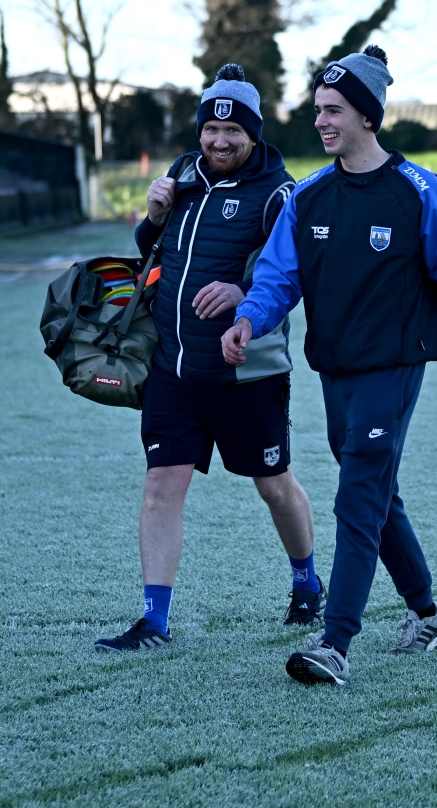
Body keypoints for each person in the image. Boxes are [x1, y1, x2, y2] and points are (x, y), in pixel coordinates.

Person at [223, 45, 437, 687]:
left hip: (395, 367)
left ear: (368, 117)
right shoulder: (309, 198)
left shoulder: (419, 192)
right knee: (378, 497)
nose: (321, 121)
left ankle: (335, 643)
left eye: (334, 110)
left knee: (357, 497)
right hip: (336, 372)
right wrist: (248, 321)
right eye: (318, 109)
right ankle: (428, 615)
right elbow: (276, 277)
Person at [96, 64, 324, 652]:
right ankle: (154, 622)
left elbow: (293, 271)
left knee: (274, 486)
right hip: (175, 369)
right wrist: (152, 216)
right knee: (160, 486)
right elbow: (151, 253)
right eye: (210, 131)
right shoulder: (181, 176)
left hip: (247, 371)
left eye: (233, 132)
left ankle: (306, 581)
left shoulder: (279, 192)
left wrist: (243, 296)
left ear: (253, 135)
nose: (220, 141)